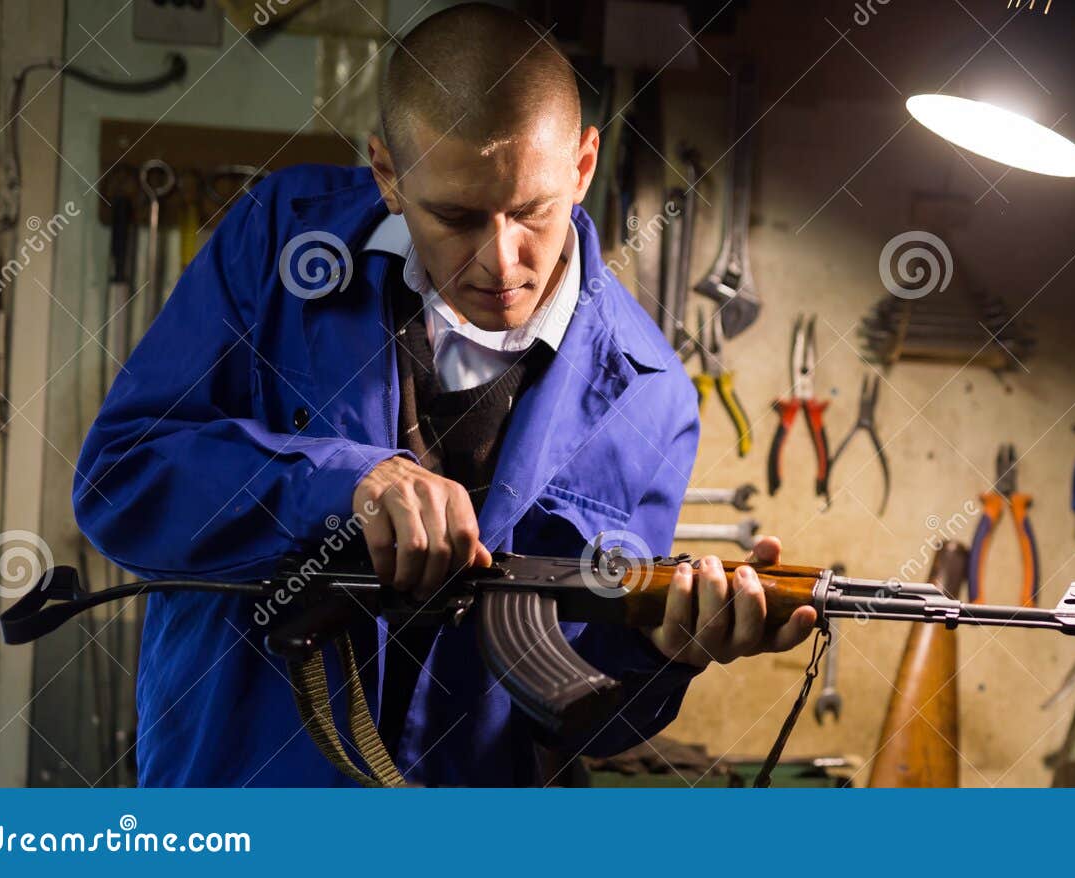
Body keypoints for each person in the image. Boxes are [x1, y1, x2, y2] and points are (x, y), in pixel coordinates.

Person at [73, 3, 815, 787]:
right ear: (388, 174)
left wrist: (669, 652)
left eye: (531, 212)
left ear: (583, 166)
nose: (502, 260)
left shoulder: (652, 399)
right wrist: (341, 483)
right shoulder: (280, 244)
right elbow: (120, 484)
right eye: (456, 217)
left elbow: (597, 720)